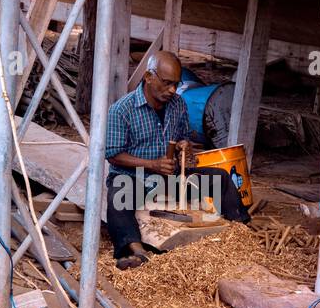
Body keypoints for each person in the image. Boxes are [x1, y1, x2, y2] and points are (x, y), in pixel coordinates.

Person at [104, 51, 250, 269]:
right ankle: (135, 252)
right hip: (135, 178)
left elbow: (184, 136)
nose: (172, 90)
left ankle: (241, 233)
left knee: (219, 178)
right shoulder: (121, 110)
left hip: (171, 178)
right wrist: (152, 164)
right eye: (166, 83)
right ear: (148, 77)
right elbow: (113, 154)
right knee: (118, 197)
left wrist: (185, 148)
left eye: (175, 84)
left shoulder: (178, 105)